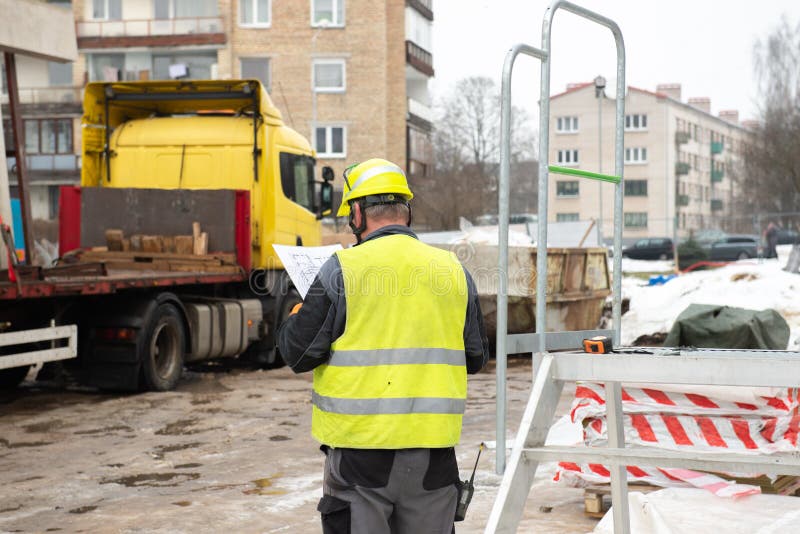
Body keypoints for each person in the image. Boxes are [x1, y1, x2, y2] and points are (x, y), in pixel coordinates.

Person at [277, 158, 489, 534]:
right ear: (406, 211)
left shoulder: (341, 269)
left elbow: (297, 352)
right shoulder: (454, 270)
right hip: (434, 460)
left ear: (356, 213)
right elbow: (475, 358)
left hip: (361, 459)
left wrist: (298, 311)